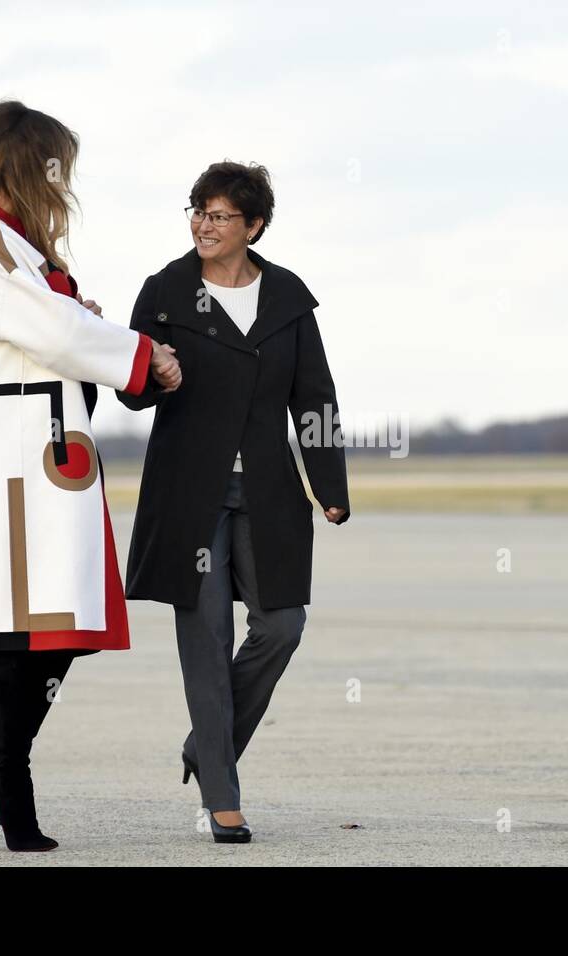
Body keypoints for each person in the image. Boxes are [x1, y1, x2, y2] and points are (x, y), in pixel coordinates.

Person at [0, 100, 181, 851]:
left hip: (45, 443)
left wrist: (95, 329)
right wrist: (143, 355)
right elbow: (49, 330)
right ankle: (12, 776)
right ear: (27, 161)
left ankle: (4, 761)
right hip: (13, 448)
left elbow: (53, 323)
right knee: (27, 623)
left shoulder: (14, 243)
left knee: (63, 619)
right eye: (54, 164)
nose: (61, 181)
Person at [116, 161, 349, 844]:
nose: (203, 224)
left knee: (282, 625)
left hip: (269, 490)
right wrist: (150, 371)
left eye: (218, 215)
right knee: (207, 639)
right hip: (191, 492)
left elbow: (315, 400)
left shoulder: (287, 299)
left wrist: (328, 487)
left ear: (254, 225)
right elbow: (130, 389)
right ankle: (223, 797)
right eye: (197, 211)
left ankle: (206, 747)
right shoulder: (165, 291)